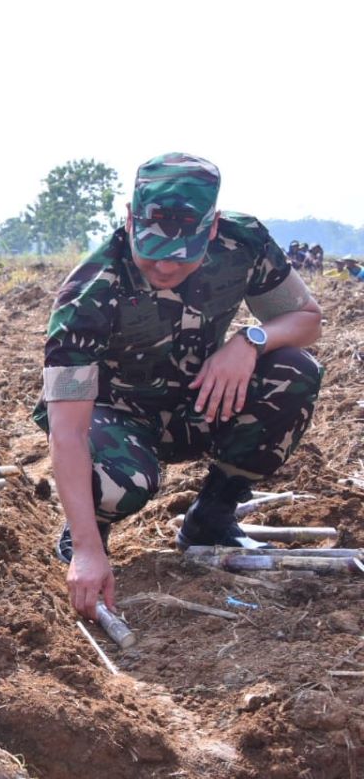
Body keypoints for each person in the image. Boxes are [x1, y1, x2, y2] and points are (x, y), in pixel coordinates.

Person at [35, 153, 322, 621]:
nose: (165, 267)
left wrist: (250, 341)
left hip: (201, 403)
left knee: (294, 371)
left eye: (181, 255)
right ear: (130, 219)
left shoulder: (242, 242)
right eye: (151, 249)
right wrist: (87, 550)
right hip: (115, 418)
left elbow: (307, 320)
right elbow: (66, 431)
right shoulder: (87, 295)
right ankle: (89, 532)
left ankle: (212, 516)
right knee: (121, 485)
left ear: (211, 229)